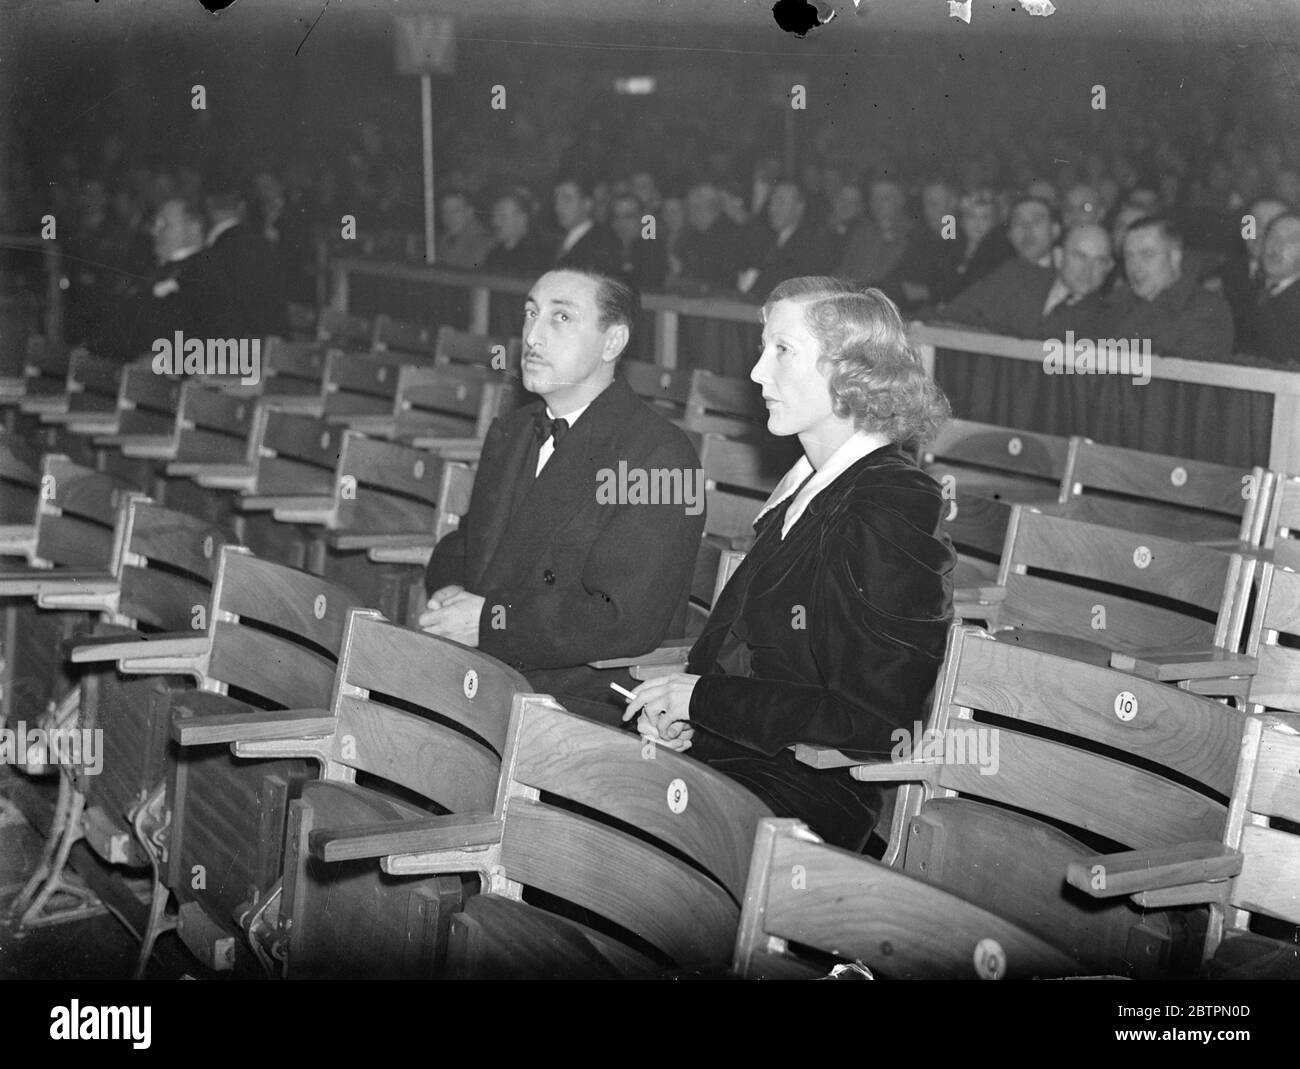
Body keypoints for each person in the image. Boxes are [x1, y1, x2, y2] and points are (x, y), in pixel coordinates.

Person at [625, 278, 955, 852]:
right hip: (736, 756)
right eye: (763, 347)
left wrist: (702, 702)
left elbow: (876, 719)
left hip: (807, 791)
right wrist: (685, 716)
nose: (756, 373)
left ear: (849, 371)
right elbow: (747, 661)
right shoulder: (810, 482)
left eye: (782, 350)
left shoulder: (889, 501)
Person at [421, 268, 705, 722]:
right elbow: (468, 544)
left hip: (581, 697)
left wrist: (489, 621)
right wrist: (451, 592)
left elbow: (623, 619)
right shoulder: (512, 432)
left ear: (612, 342)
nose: (533, 336)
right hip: (490, 667)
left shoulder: (663, 455)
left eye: (561, 319)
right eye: (530, 314)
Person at [1109, 214, 1234, 362]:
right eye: (1129, 256)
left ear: (1175, 258)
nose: (1135, 267)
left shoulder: (1207, 311)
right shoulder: (1116, 302)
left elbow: (1187, 380)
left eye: (1147, 255)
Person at [552, 176, 620, 273]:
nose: (558, 207)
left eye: (567, 199)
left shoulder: (602, 242)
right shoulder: (556, 241)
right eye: (556, 199)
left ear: (587, 204)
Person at [438, 189, 493, 270]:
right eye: (445, 211)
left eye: (455, 211)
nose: (449, 216)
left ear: (469, 211)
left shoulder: (484, 242)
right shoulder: (443, 239)